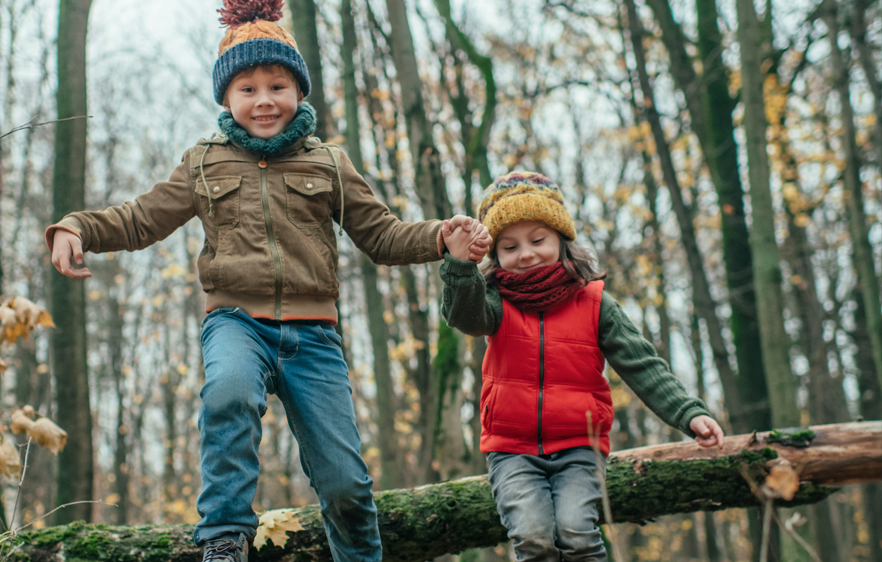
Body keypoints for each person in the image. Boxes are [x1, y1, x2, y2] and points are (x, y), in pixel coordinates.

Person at [45, 2, 491, 562]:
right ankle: (224, 537)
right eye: (247, 88)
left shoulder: (328, 162)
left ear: (298, 91)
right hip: (235, 321)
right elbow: (140, 218)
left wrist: (440, 238)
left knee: (347, 485)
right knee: (228, 392)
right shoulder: (204, 163)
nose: (263, 100)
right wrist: (76, 226)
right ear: (226, 98)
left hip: (315, 337)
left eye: (277, 85)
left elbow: (382, 235)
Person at [439, 171, 723, 562]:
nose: (526, 254)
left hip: (578, 448)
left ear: (561, 239)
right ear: (496, 255)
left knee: (576, 533)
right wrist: (459, 266)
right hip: (512, 451)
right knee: (534, 538)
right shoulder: (496, 301)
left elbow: (642, 364)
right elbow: (464, 317)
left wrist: (689, 414)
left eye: (538, 240)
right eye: (509, 247)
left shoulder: (595, 303)